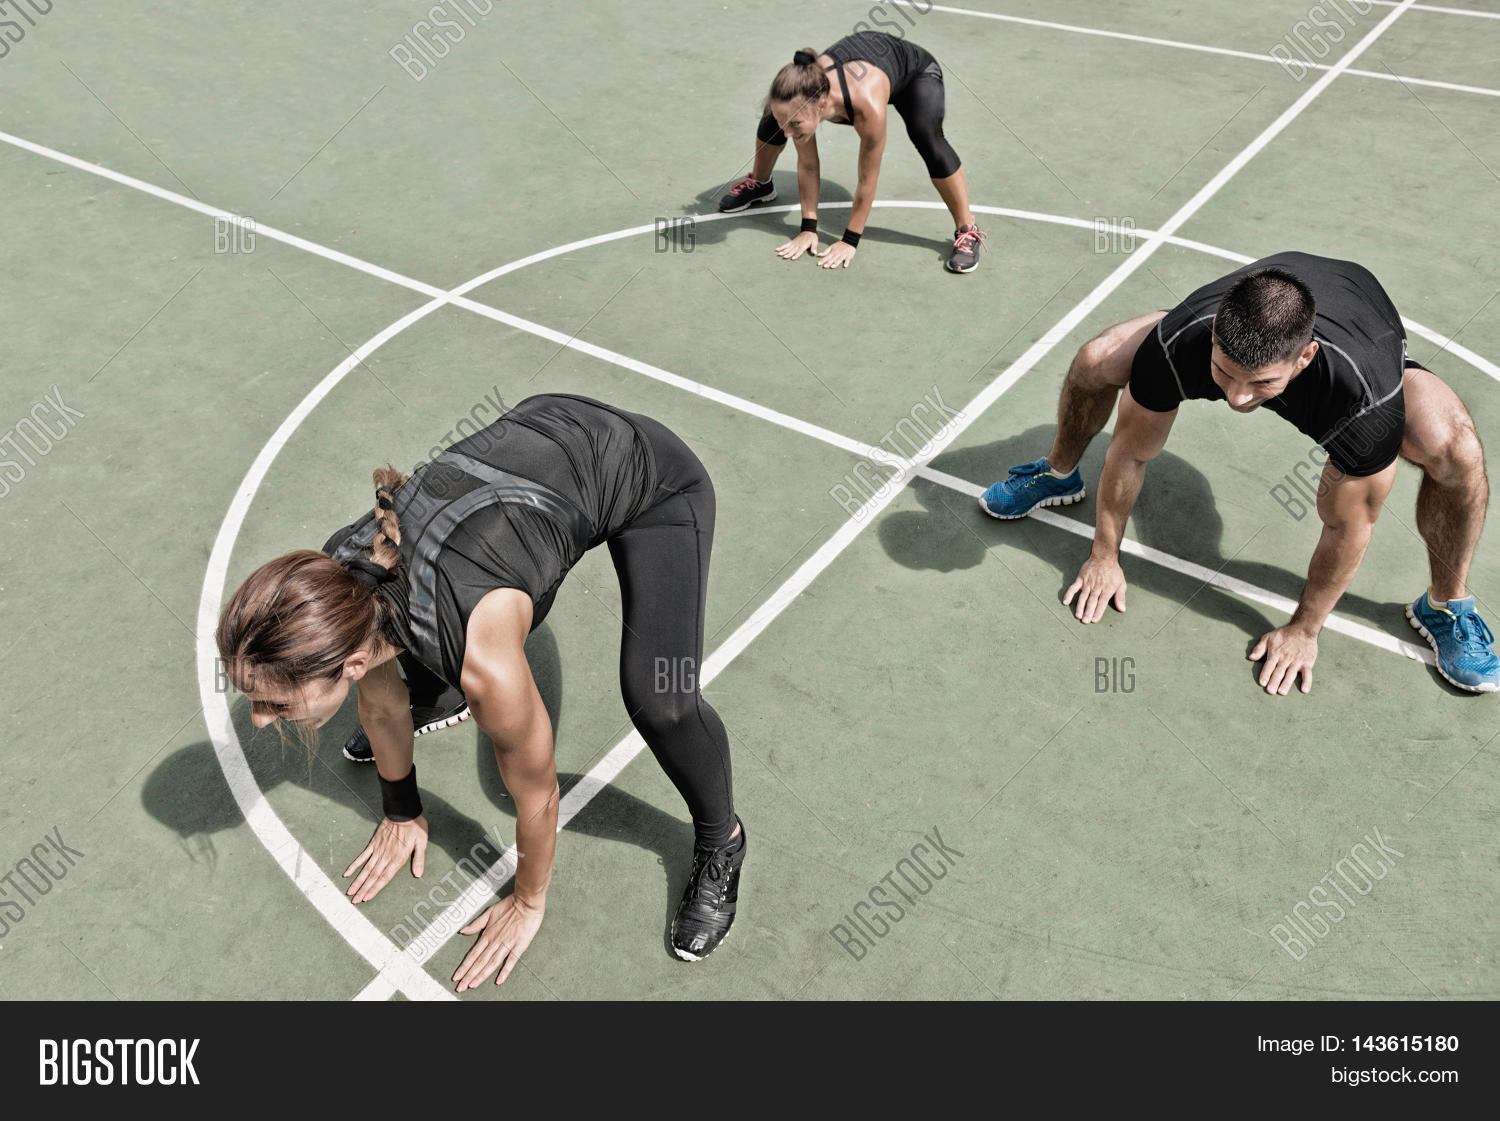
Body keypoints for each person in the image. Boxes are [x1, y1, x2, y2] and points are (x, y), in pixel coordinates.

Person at [215, 393, 747, 986]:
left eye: (275, 702)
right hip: (539, 453)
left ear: (351, 661)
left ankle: (722, 838)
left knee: (662, 701)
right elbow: (381, 702)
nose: (261, 720)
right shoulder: (344, 575)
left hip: (651, 478)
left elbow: (539, 797)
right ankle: (437, 688)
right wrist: (401, 811)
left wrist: (526, 900)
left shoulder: (484, 660)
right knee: (435, 638)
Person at [979, 251, 1498, 694]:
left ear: (1303, 359)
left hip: (1364, 321)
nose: (1236, 398)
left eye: (1259, 384)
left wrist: (1304, 629)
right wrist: (1103, 555)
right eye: (1224, 373)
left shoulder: (1362, 398)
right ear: (1212, 338)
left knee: (1457, 453)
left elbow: (1347, 525)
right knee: (1097, 361)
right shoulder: (1183, 340)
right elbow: (1130, 453)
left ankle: (1445, 605)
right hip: (1259, 309)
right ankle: (1058, 473)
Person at [717, 33, 986, 273]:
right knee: (773, 118)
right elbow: (808, 164)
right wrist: (808, 228)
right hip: (864, 64)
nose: (787, 133)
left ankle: (967, 230)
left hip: (915, 73)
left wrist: (849, 240)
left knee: (927, 137)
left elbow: (867, 178)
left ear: (821, 105)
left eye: (796, 124)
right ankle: (761, 184)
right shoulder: (802, 90)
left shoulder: (866, 106)